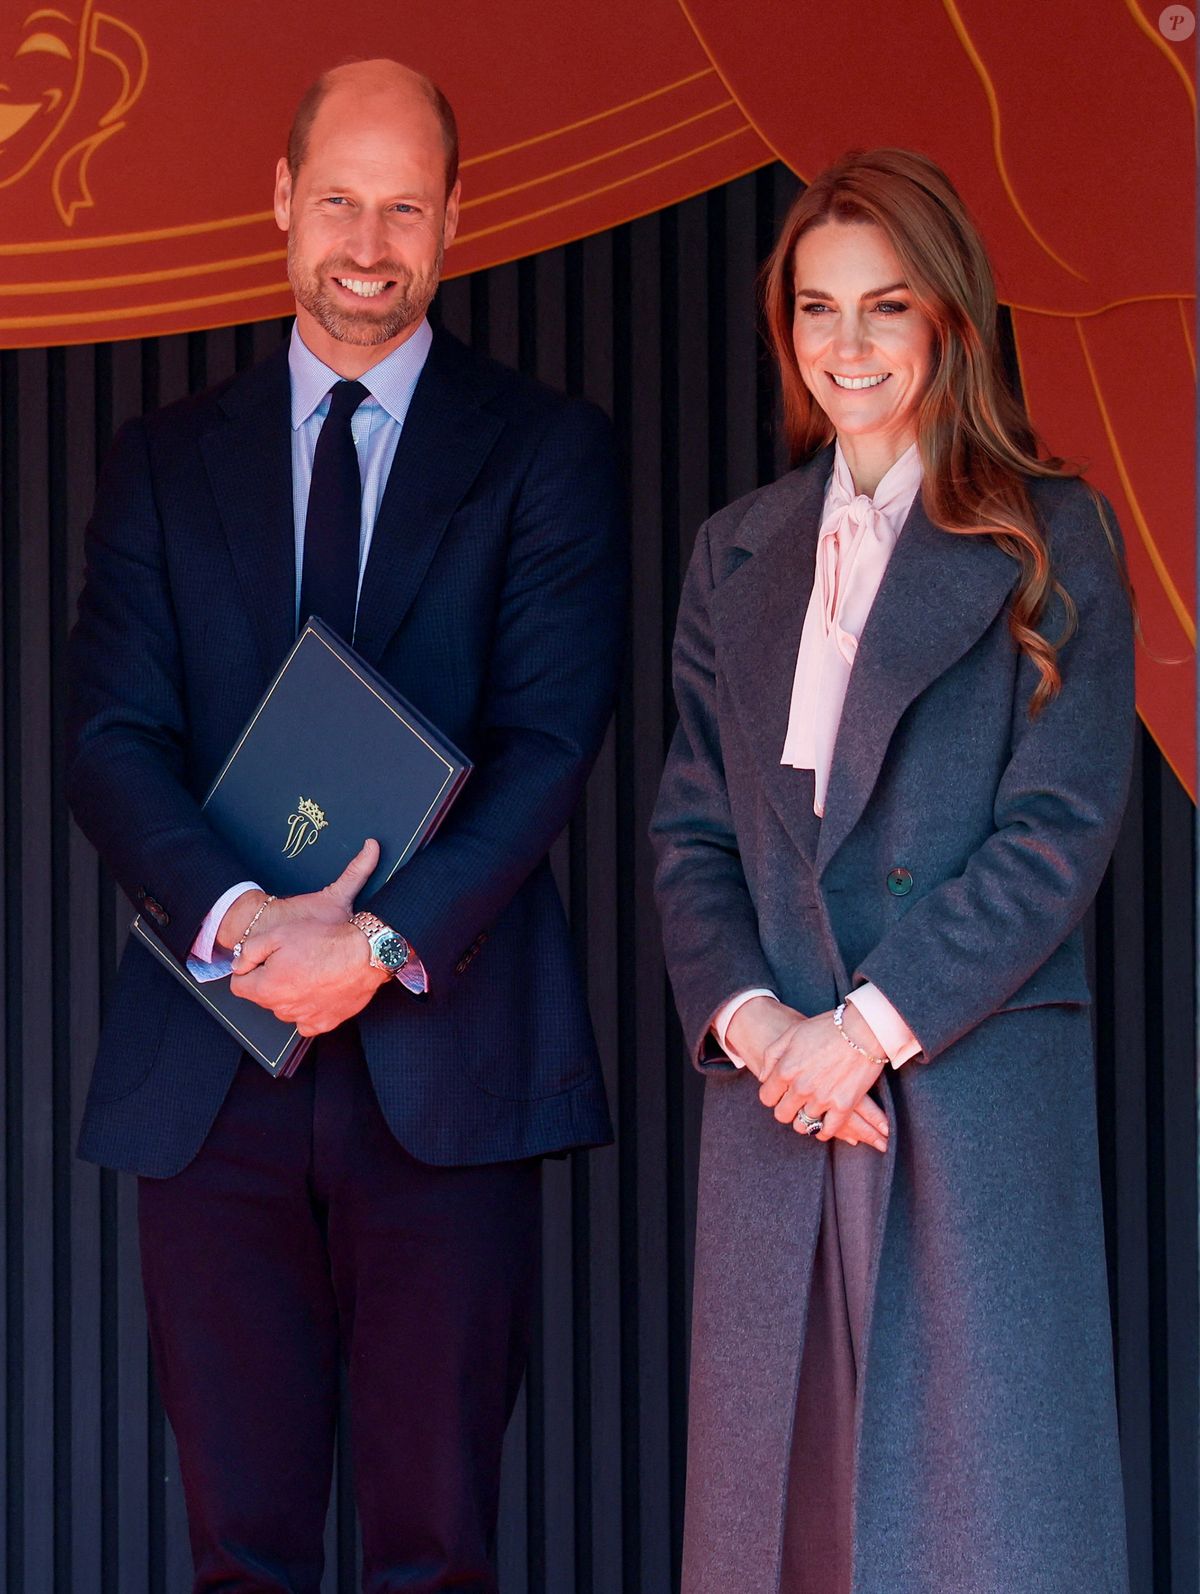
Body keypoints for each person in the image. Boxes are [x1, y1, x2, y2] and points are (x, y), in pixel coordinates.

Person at [67, 58, 624, 1593]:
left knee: (434, 1551)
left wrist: (373, 944)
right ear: (279, 200)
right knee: (239, 1553)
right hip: (214, 1059)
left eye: (403, 208)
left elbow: (548, 744)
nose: (367, 245)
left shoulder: (544, 449)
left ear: (457, 216)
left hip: (444, 1060)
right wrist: (251, 926)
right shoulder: (162, 459)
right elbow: (111, 740)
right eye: (337, 201)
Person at [650, 148, 1133, 1594]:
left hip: (958, 1082)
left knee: (980, 1535)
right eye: (817, 307)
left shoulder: (1054, 532)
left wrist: (862, 1030)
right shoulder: (733, 553)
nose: (847, 343)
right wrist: (763, 1030)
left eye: (886, 305)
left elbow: (1056, 832)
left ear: (950, 319)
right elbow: (691, 836)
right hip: (780, 1100)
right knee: (786, 1529)